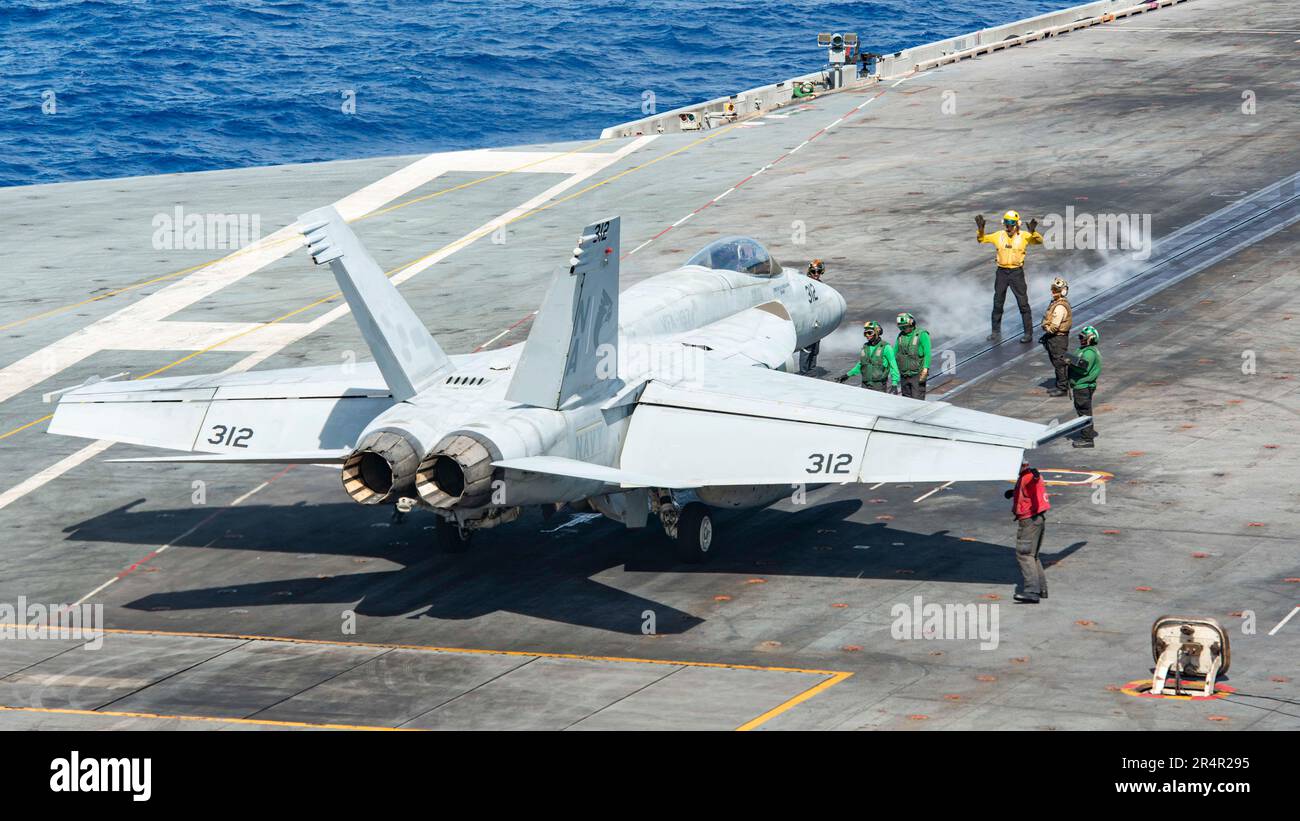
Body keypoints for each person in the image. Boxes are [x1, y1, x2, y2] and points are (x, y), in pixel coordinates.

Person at [976, 210, 1043, 343]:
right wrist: (981, 229)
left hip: (1016, 273)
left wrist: (1033, 232)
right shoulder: (998, 235)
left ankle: (1028, 334)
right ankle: (995, 332)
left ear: (1017, 225)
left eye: (1011, 224)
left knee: (1023, 304)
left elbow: (1039, 241)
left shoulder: (1024, 236)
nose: (1008, 227)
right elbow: (981, 239)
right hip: (1001, 272)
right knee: (998, 302)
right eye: (1006, 224)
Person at [1004, 461, 1050, 603]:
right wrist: (1014, 493)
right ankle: (1042, 589)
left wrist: (1035, 476)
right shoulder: (1025, 476)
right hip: (1038, 519)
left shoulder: (1028, 476)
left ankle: (1031, 591)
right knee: (1033, 555)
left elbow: (1033, 480)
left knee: (1024, 555)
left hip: (1029, 521)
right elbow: (1031, 489)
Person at [1064, 325, 1102, 448]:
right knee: (1082, 412)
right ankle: (1086, 434)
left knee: (1084, 412)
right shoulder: (1083, 350)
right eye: (1080, 337)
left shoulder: (1089, 353)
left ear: (1090, 338)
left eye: (1083, 337)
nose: (1081, 339)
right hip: (1080, 387)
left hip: (1083, 387)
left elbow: (1083, 369)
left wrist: (1069, 362)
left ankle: (1087, 439)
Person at [837, 321, 900, 392]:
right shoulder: (865, 347)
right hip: (865, 384)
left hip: (878, 386)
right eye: (865, 333)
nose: (867, 335)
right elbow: (861, 365)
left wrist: (894, 384)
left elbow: (893, 366)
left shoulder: (886, 347)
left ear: (877, 332)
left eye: (869, 333)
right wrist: (847, 375)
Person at [1039, 277, 1072, 397]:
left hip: (1058, 338)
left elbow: (1054, 326)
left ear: (1062, 291)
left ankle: (1063, 388)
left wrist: (1046, 329)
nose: (1053, 292)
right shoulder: (1056, 303)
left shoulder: (1060, 307)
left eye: (1055, 290)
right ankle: (1059, 384)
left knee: (1059, 363)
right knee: (1056, 361)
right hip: (1055, 338)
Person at [893, 312, 931, 399]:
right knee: (906, 400)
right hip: (904, 374)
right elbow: (894, 352)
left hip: (917, 374)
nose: (903, 329)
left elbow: (927, 353)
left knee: (917, 400)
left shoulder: (922, 334)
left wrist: (925, 369)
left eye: (905, 326)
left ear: (912, 323)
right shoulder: (901, 336)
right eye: (901, 327)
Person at [799, 260, 826, 374]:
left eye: (818, 272)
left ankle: (812, 372)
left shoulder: (821, 285)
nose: (816, 274)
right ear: (810, 272)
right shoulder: (803, 284)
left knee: (815, 350)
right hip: (807, 322)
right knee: (806, 350)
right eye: (814, 271)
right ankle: (804, 373)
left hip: (816, 322)